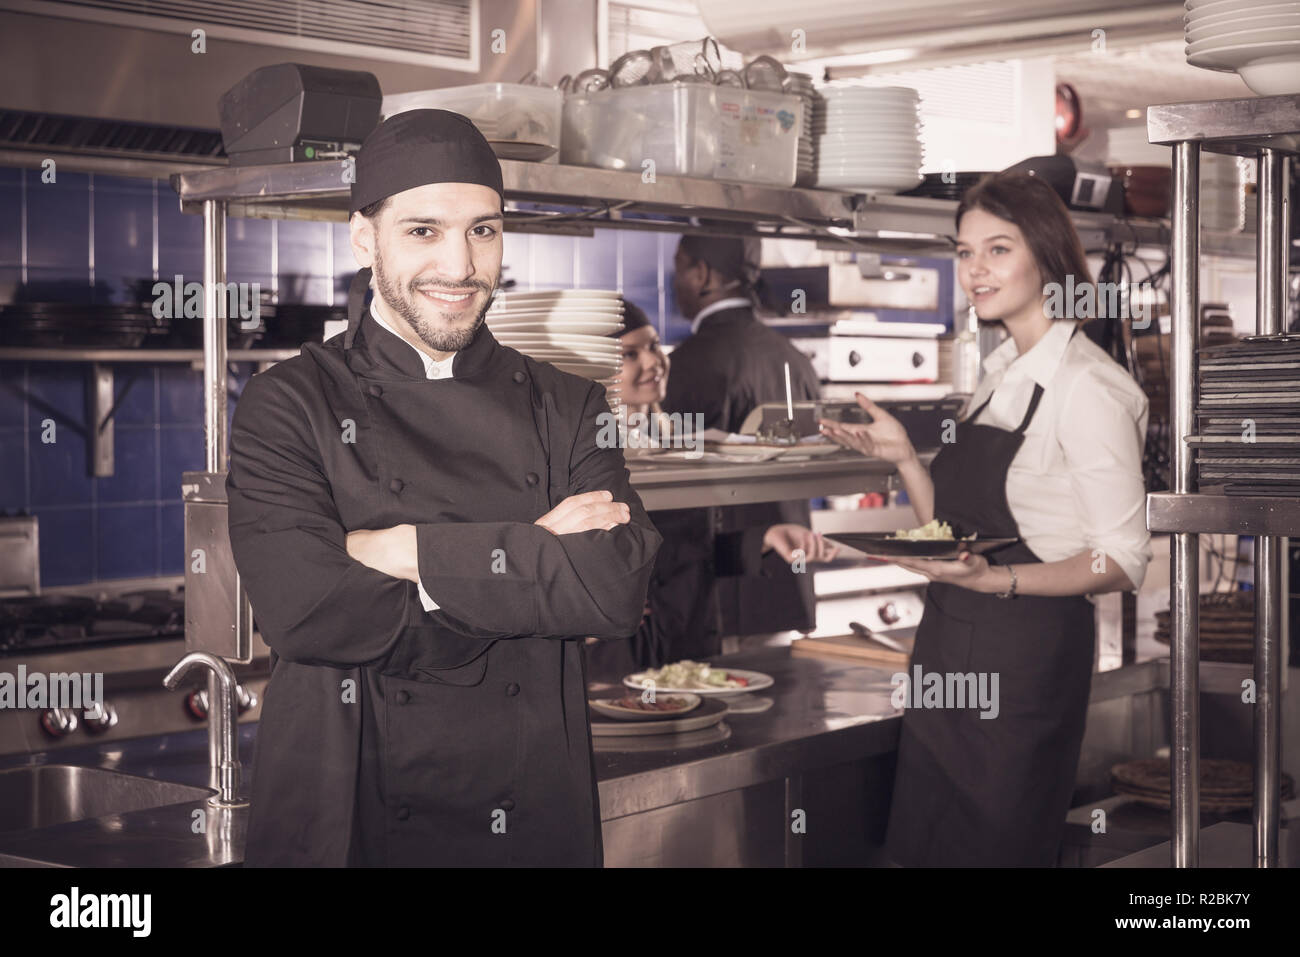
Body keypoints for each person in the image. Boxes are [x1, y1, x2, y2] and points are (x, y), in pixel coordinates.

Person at [226, 109, 662, 867]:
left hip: (530, 807)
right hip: (350, 807)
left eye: (484, 231)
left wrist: (407, 551)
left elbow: (613, 588)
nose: (460, 267)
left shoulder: (570, 404)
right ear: (365, 237)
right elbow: (307, 612)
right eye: (424, 231)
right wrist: (534, 555)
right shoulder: (289, 402)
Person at [820, 171, 1151, 867]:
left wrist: (994, 581)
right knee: (924, 846)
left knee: (997, 848)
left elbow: (1122, 559)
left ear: (1047, 254)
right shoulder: (999, 373)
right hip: (947, 649)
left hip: (1024, 661)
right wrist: (908, 460)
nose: (975, 269)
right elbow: (957, 534)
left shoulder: (1089, 388)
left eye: (997, 249)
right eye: (965, 251)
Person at [583, 299, 837, 678]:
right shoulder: (585, 456)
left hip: (692, 650)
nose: (653, 361)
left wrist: (764, 538)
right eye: (630, 354)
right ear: (598, 368)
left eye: (653, 346)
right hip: (623, 660)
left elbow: (686, 556)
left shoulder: (672, 446)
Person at [661, 235, 823, 645]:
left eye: (679, 267)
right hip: (785, 586)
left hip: (722, 597)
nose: (674, 279)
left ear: (700, 274)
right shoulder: (793, 357)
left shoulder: (687, 365)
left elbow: (675, 493)